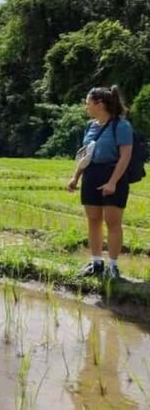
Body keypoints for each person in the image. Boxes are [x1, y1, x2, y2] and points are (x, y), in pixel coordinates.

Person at [67, 86, 133, 280]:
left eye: (87, 102)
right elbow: (85, 155)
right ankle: (96, 262)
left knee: (113, 221)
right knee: (93, 220)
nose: (85, 106)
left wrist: (112, 182)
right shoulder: (90, 126)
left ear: (99, 104)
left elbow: (125, 156)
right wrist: (75, 176)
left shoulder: (121, 126)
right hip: (91, 174)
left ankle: (113, 266)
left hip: (114, 174)